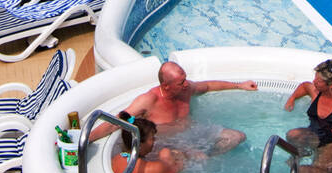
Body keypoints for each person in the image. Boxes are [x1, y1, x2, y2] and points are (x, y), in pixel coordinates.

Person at [91, 60, 257, 153]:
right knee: (196, 158)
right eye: (181, 82)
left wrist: (239, 85)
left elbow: (207, 86)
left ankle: (208, 156)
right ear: (166, 86)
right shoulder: (149, 100)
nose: (186, 84)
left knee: (237, 137)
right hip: (165, 144)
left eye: (185, 79)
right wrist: (86, 140)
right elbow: (117, 122)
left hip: (193, 133)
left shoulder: (186, 89)